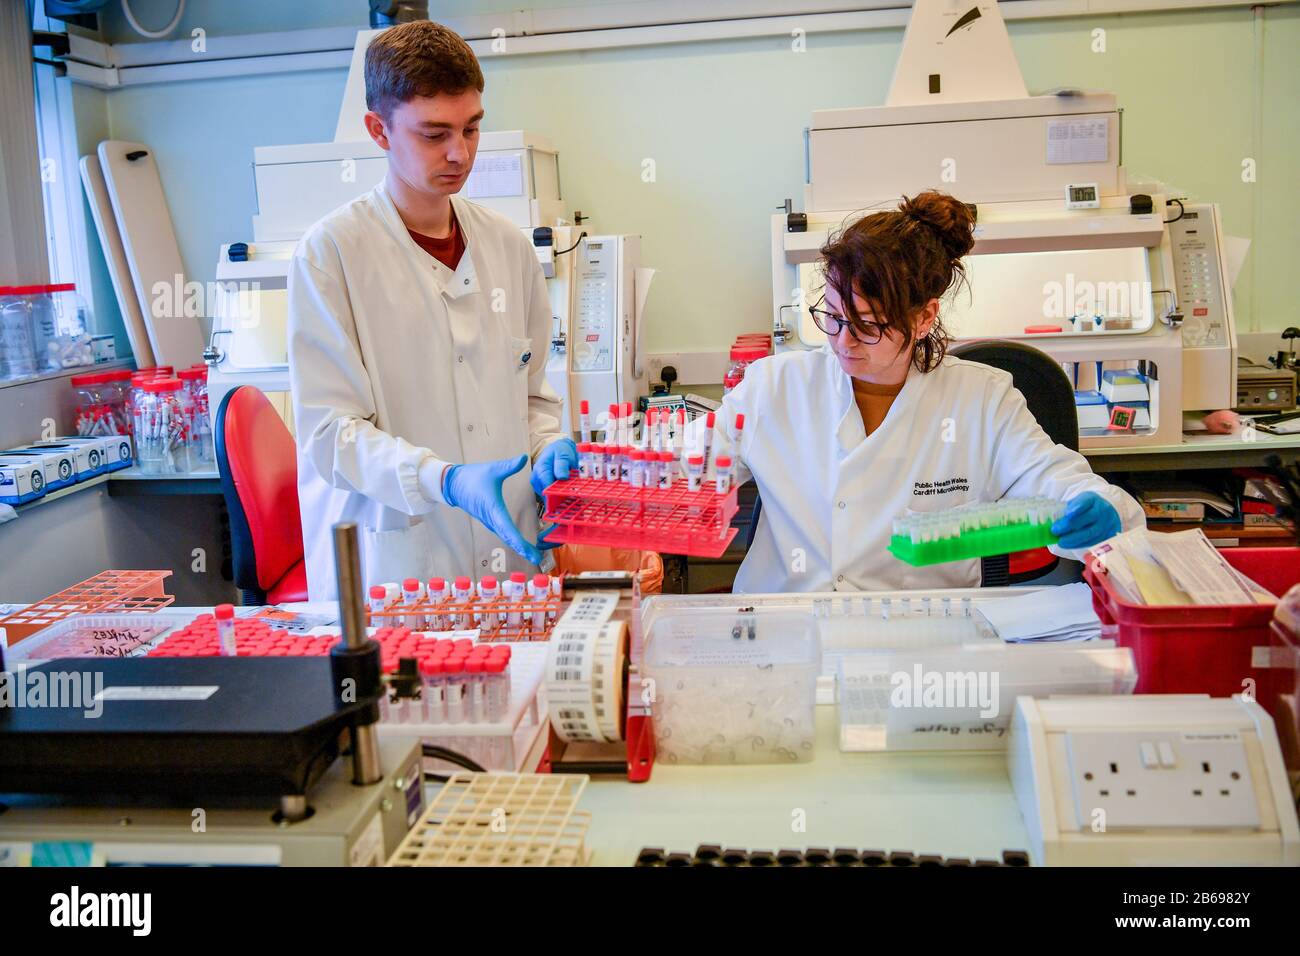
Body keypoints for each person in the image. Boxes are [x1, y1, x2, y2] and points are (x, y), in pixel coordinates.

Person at [695, 191, 1145, 593]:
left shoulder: (982, 399)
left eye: (868, 326)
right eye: (831, 316)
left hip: (925, 640)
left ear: (924, 317)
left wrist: (1097, 509)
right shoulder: (775, 387)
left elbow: (1059, 482)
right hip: (783, 631)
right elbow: (683, 467)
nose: (841, 341)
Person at [288, 21, 576, 598]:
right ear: (378, 130)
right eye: (434, 133)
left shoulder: (508, 247)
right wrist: (441, 480)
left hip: (508, 553)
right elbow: (330, 434)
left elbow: (532, 398)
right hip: (397, 563)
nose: (460, 152)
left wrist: (548, 450)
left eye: (472, 128)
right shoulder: (331, 254)